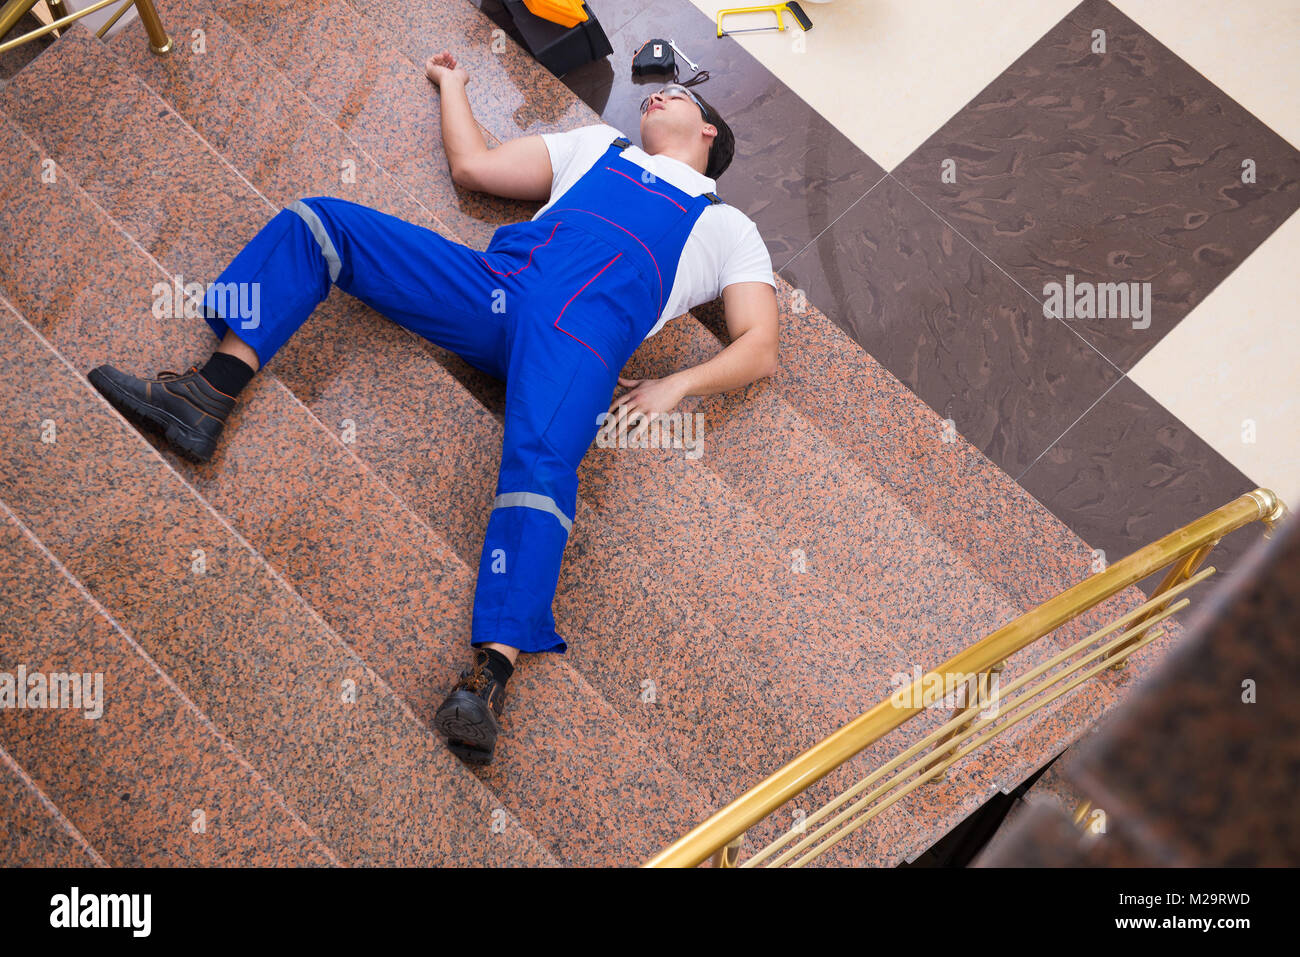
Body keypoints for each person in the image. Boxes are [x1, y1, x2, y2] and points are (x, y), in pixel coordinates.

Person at [87, 51, 779, 764]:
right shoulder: (597, 147)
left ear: (708, 136)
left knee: (540, 469)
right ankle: (208, 391)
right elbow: (475, 168)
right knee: (321, 223)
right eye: (656, 94)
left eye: (676, 98)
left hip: (579, 342)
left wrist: (678, 384)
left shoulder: (726, 226)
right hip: (494, 288)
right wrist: (453, 86)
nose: (657, 98)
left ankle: (490, 674)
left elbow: (760, 345)